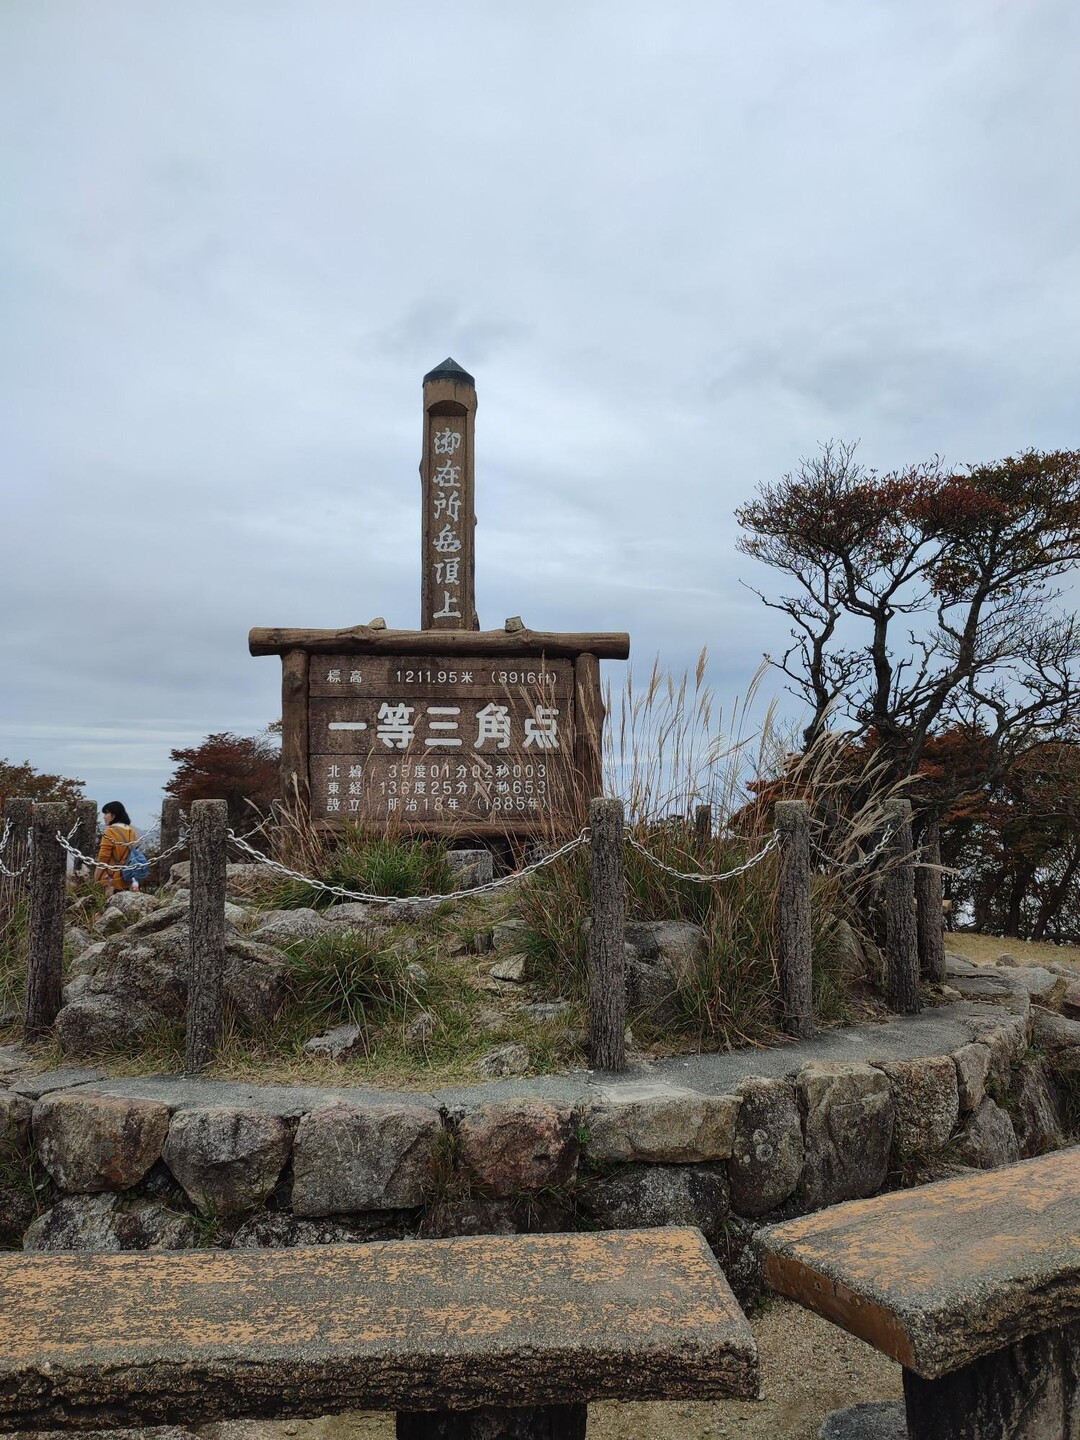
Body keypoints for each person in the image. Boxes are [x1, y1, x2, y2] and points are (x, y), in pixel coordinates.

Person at [95, 802, 137, 895]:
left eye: (106, 813)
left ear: (114, 815)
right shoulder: (131, 831)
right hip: (127, 877)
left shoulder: (110, 831)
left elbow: (103, 857)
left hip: (110, 879)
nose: (104, 817)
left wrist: (96, 878)